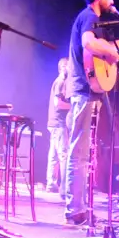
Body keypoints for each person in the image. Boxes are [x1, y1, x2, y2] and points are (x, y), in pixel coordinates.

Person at [65, 0, 119, 226]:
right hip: (83, 91)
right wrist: (113, 52)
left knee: (84, 153)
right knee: (78, 152)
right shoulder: (89, 16)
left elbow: (100, 60)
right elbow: (88, 43)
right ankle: (74, 209)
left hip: (93, 91)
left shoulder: (95, 20)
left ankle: (80, 206)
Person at [45, 56, 72, 194]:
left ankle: (51, 183)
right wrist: (72, 107)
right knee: (63, 154)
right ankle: (65, 186)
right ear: (63, 67)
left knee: (54, 155)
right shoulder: (61, 82)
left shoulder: (59, 82)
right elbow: (58, 104)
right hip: (58, 123)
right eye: (68, 66)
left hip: (54, 122)